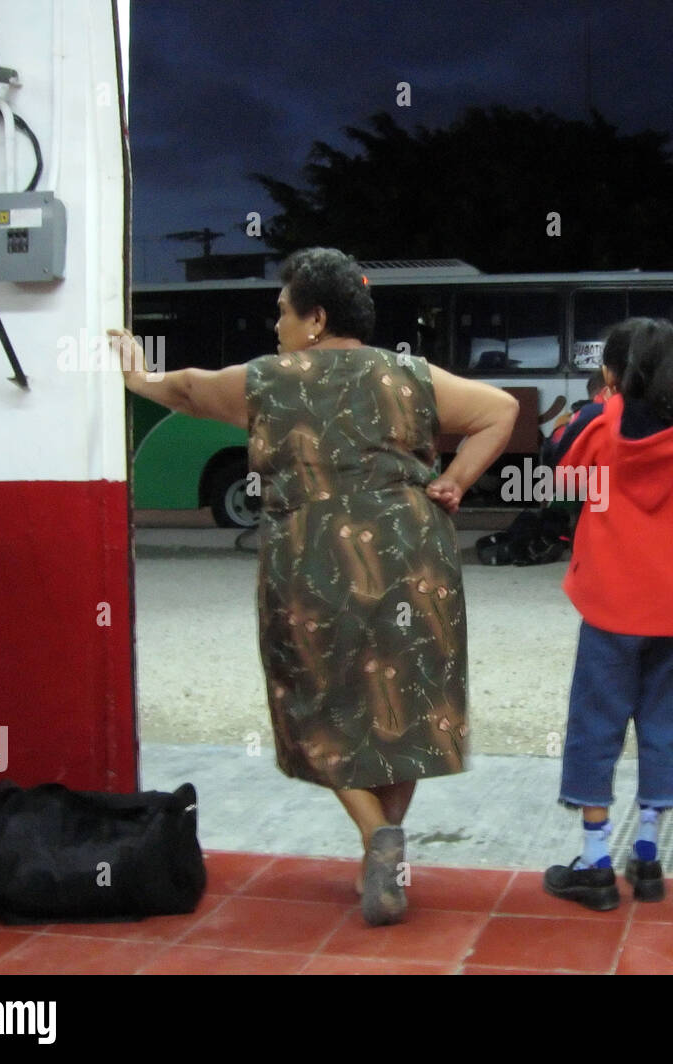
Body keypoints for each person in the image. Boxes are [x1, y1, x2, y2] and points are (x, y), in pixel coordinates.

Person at [110, 247, 517, 926]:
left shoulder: (272, 380)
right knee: (405, 706)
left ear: (316, 318)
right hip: (413, 556)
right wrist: (454, 482)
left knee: (313, 700)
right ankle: (384, 844)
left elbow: (186, 389)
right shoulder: (409, 375)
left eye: (282, 312)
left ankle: (372, 837)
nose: (276, 326)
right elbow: (499, 410)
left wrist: (135, 373)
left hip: (312, 560)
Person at [544, 318, 673, 911]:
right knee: (664, 728)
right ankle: (649, 860)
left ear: (610, 373)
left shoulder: (595, 427)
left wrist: (591, 409)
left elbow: (559, 476)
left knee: (595, 728)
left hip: (610, 610)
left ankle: (597, 862)